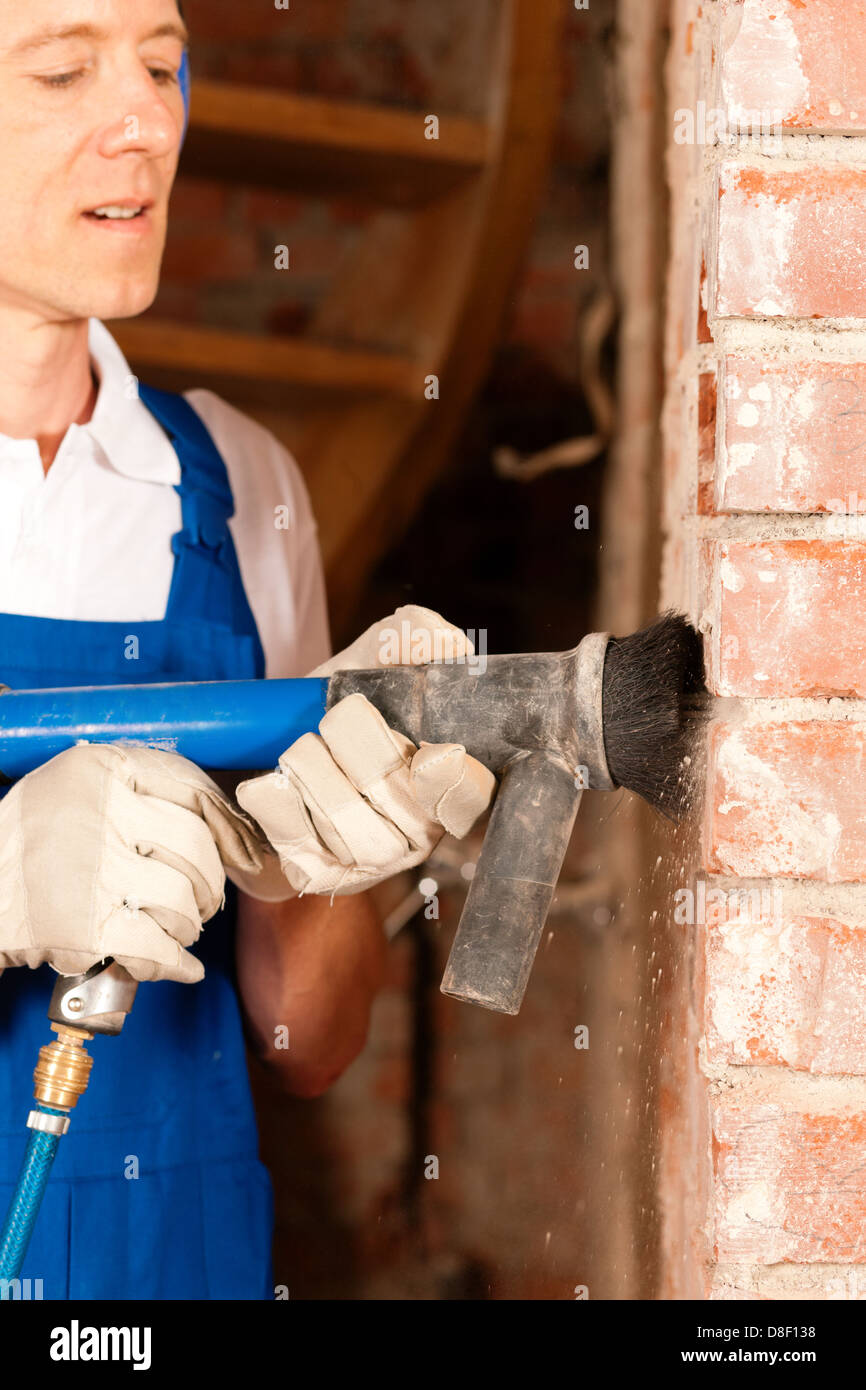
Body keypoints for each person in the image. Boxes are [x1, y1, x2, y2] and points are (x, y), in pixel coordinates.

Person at [0, 0, 494, 1300]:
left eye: (163, 65)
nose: (146, 119)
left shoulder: (237, 479)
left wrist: (333, 851)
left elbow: (307, 1038)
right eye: (65, 70)